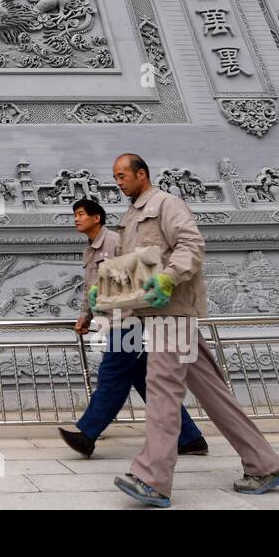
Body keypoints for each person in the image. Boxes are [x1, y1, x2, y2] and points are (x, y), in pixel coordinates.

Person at [109, 152, 279, 508]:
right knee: (214, 394)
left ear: (142, 174)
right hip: (155, 314)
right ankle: (265, 464)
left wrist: (168, 276)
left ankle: (153, 478)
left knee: (161, 388)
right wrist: (108, 294)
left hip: (173, 314)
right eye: (115, 177)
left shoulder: (166, 204)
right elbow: (135, 270)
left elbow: (192, 245)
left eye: (122, 176)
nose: (118, 182)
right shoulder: (131, 217)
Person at [58, 197, 208, 459]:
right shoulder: (90, 251)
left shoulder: (116, 242)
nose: (76, 219)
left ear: (97, 218)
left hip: (128, 320)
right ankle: (190, 437)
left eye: (81, 214)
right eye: (75, 215)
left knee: (111, 376)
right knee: (144, 381)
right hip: (113, 320)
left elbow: (137, 272)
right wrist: (85, 315)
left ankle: (87, 434)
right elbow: (90, 287)